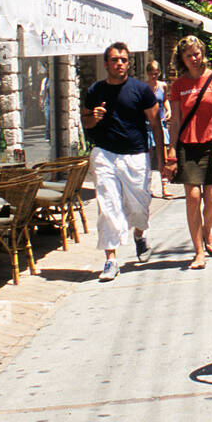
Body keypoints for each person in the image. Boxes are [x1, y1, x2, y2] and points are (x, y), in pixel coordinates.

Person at [83, 42, 167, 282]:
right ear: (106, 64)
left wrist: (160, 162)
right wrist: (94, 118)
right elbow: (86, 121)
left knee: (140, 206)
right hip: (105, 153)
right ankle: (111, 259)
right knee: (107, 206)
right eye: (114, 60)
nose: (119, 63)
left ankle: (139, 236)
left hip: (136, 154)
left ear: (129, 63)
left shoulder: (141, 90)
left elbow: (155, 125)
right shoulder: (95, 91)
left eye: (123, 59)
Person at [167, 36, 212, 270]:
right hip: (188, 146)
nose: (194, 59)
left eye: (197, 53)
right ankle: (198, 251)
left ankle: (207, 231)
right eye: (188, 56)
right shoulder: (178, 86)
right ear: (182, 59)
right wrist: (172, 150)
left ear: (202, 53)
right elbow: (175, 121)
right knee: (193, 197)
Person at [145, 59, 174, 200]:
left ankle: (164, 186)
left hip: (161, 123)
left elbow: (165, 100)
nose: (154, 76)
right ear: (147, 73)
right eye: (151, 73)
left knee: (163, 156)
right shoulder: (144, 88)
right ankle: (149, 186)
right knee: (149, 157)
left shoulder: (163, 86)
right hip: (147, 125)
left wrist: (168, 110)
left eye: (156, 73)